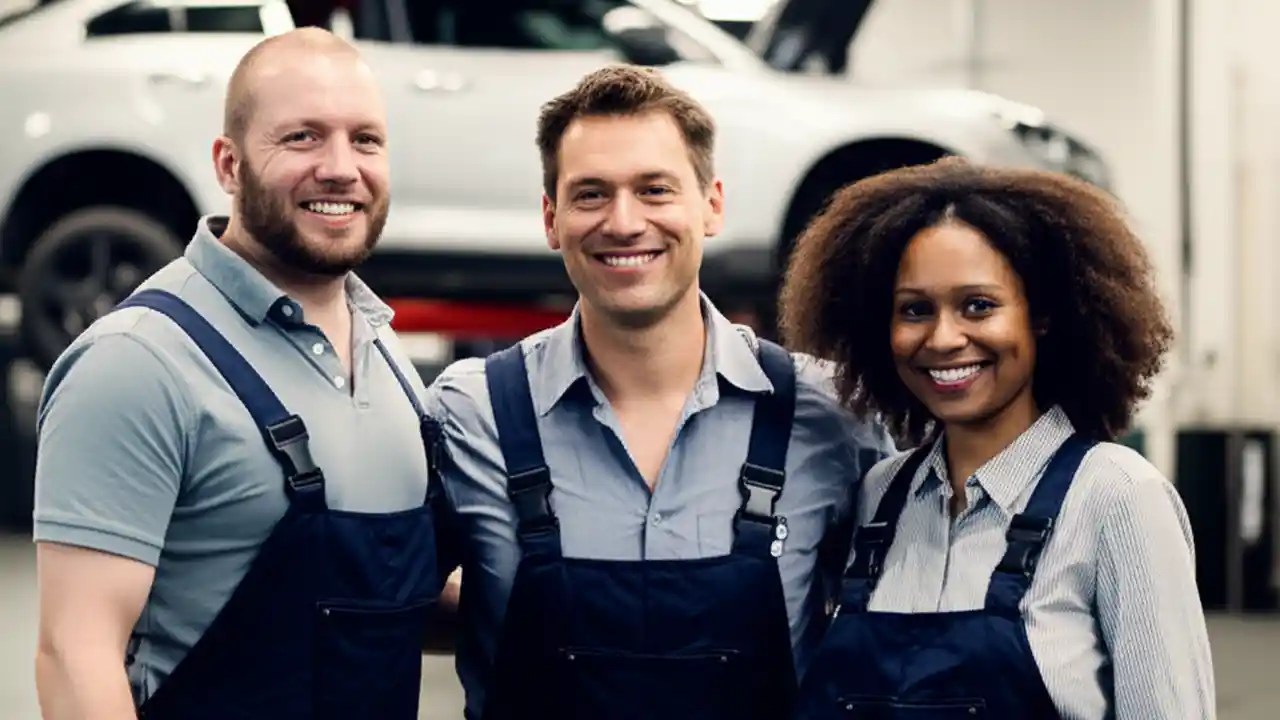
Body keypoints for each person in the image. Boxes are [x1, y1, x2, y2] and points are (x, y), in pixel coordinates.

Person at [423, 65, 895, 720]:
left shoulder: (829, 416)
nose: (623, 222)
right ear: (550, 218)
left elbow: (907, 633)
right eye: (590, 194)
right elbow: (375, 614)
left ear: (712, 205)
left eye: (654, 189)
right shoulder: (470, 416)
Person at [32, 28, 447, 720]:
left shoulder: (390, 361)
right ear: (228, 165)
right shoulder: (137, 362)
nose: (342, 167)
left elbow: (375, 610)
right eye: (303, 138)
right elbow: (74, 654)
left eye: (365, 140)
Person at [779, 157, 1216, 719]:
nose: (943, 337)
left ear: (1044, 317)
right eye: (915, 310)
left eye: (978, 306)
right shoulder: (877, 498)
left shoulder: (1118, 497)